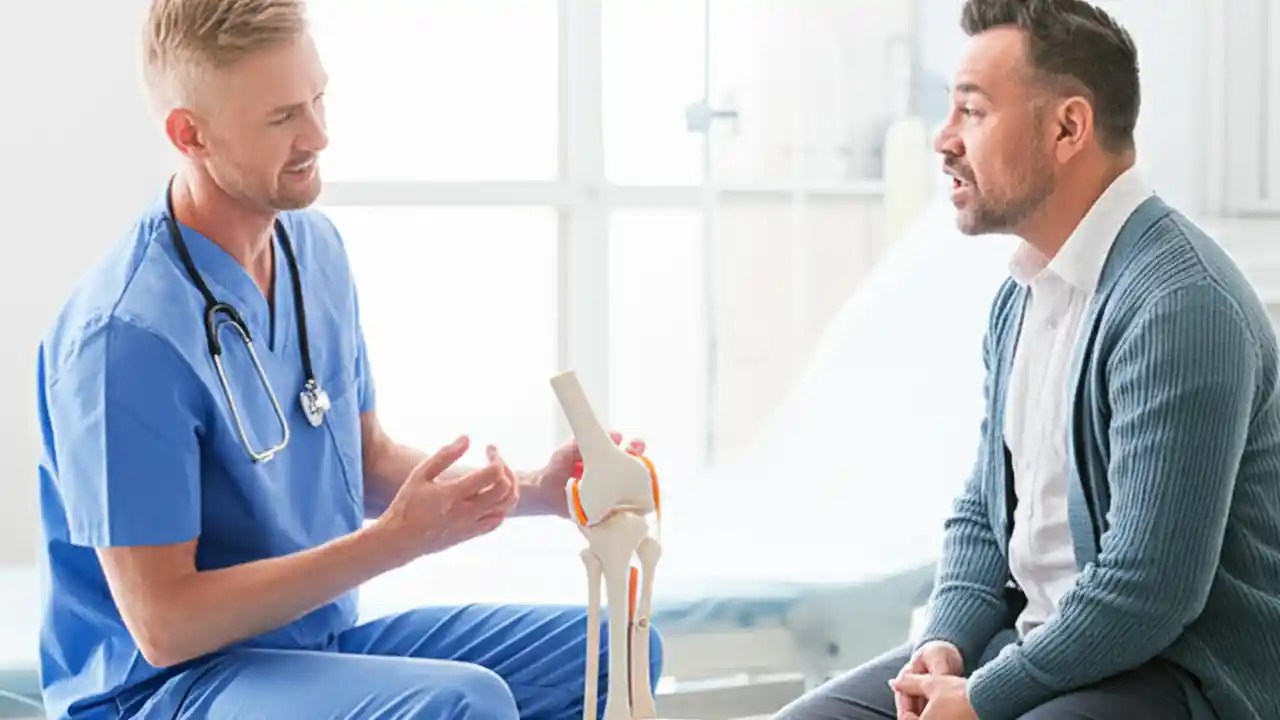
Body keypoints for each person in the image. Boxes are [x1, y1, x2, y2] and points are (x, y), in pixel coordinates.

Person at [33, 1, 661, 718]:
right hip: (166, 691)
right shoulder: (124, 339)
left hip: (308, 650)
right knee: (466, 704)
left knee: (621, 649)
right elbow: (164, 626)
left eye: (318, 98)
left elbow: (361, 461)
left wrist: (536, 489)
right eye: (282, 118)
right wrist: (394, 544)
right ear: (190, 134)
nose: (319, 135)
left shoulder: (315, 252)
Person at [776, 1, 1280, 719]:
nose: (945, 140)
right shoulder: (1022, 297)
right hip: (1037, 650)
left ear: (1068, 128)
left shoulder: (1180, 305)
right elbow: (985, 513)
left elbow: (1148, 592)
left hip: (1181, 675)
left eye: (973, 111)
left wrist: (983, 698)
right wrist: (946, 642)